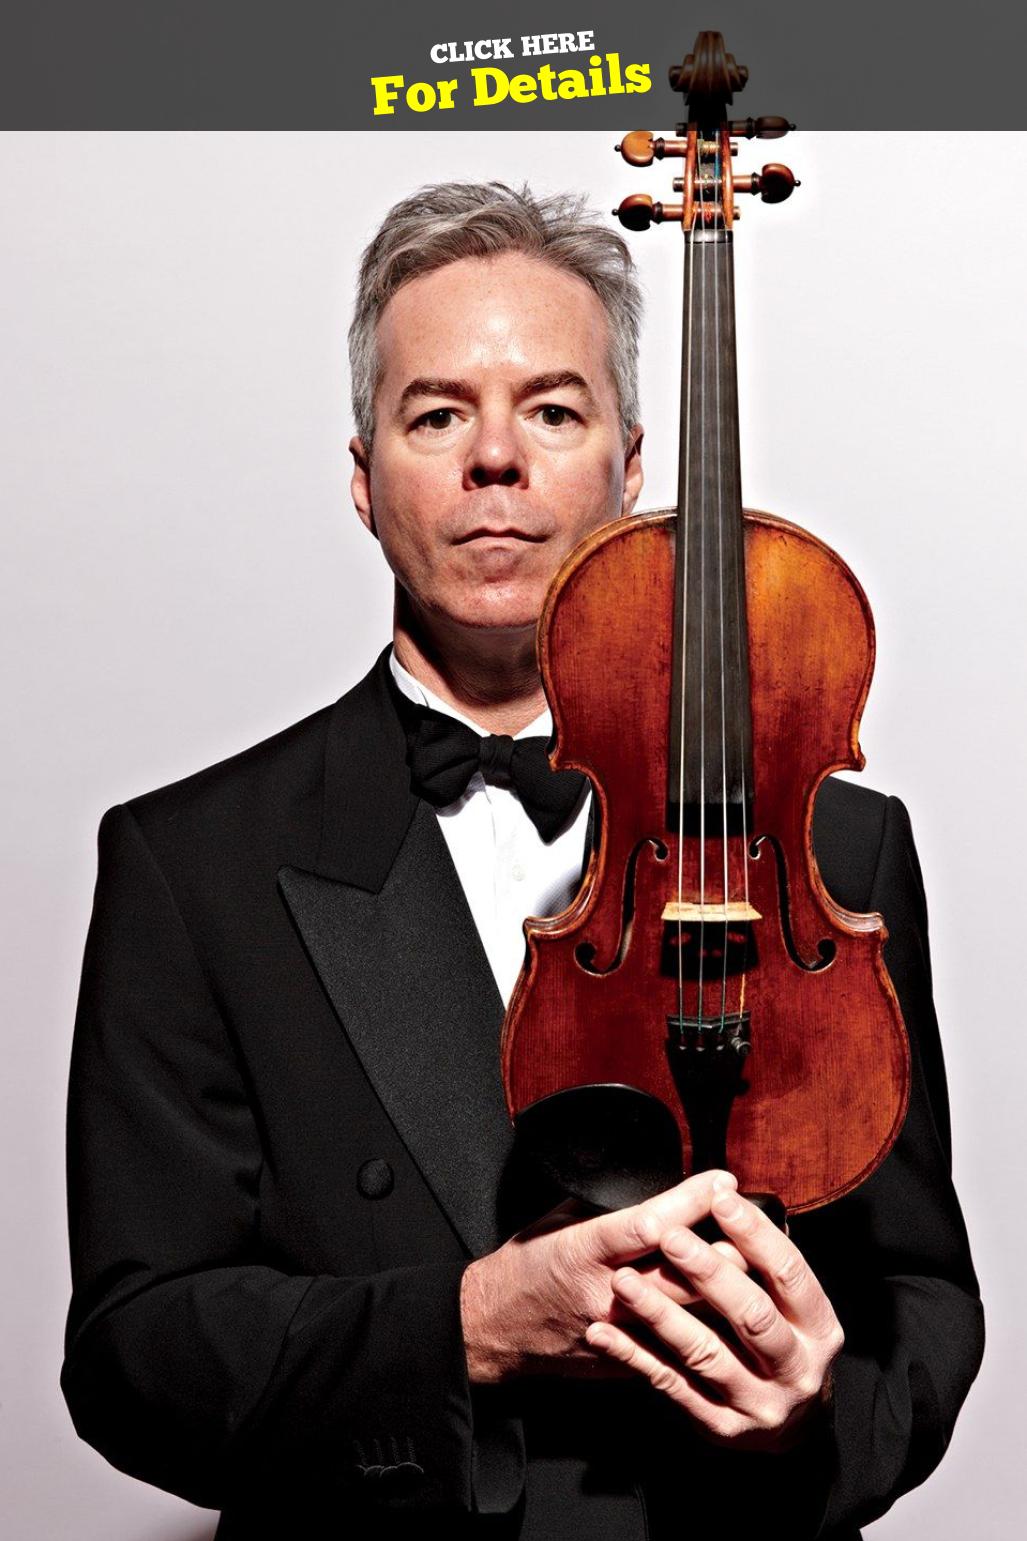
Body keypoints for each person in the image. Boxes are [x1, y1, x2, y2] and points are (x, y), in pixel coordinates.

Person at [61, 181, 983, 1541]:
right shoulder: (190, 863)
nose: (497, 459)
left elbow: (925, 1302)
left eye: (553, 410)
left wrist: (814, 1419)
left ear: (633, 466)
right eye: (437, 414)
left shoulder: (833, 851)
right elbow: (133, 1351)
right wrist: (464, 1326)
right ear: (366, 478)